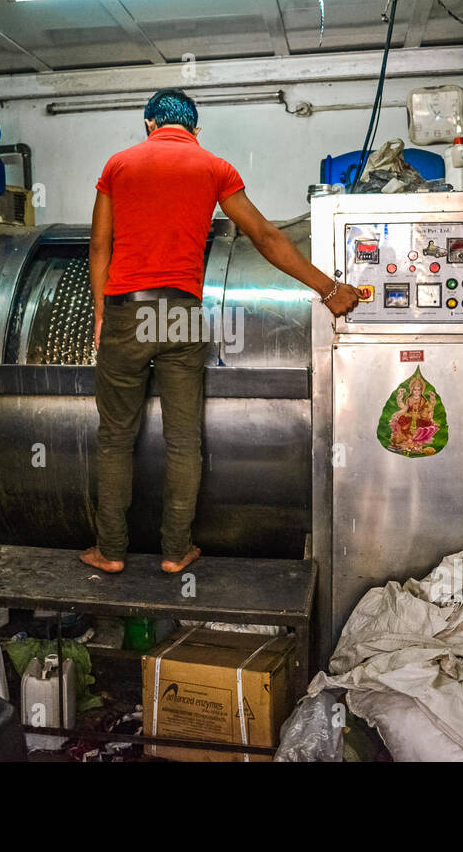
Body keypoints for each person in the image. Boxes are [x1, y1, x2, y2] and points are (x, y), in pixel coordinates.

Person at [83, 88, 360, 575]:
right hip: (182, 313)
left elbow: (98, 245)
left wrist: (103, 312)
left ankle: (110, 551)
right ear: (194, 129)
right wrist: (329, 287)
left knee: (115, 440)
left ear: (149, 124)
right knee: (184, 440)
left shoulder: (118, 166)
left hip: (127, 310)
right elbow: (265, 236)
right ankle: (175, 552)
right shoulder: (215, 168)